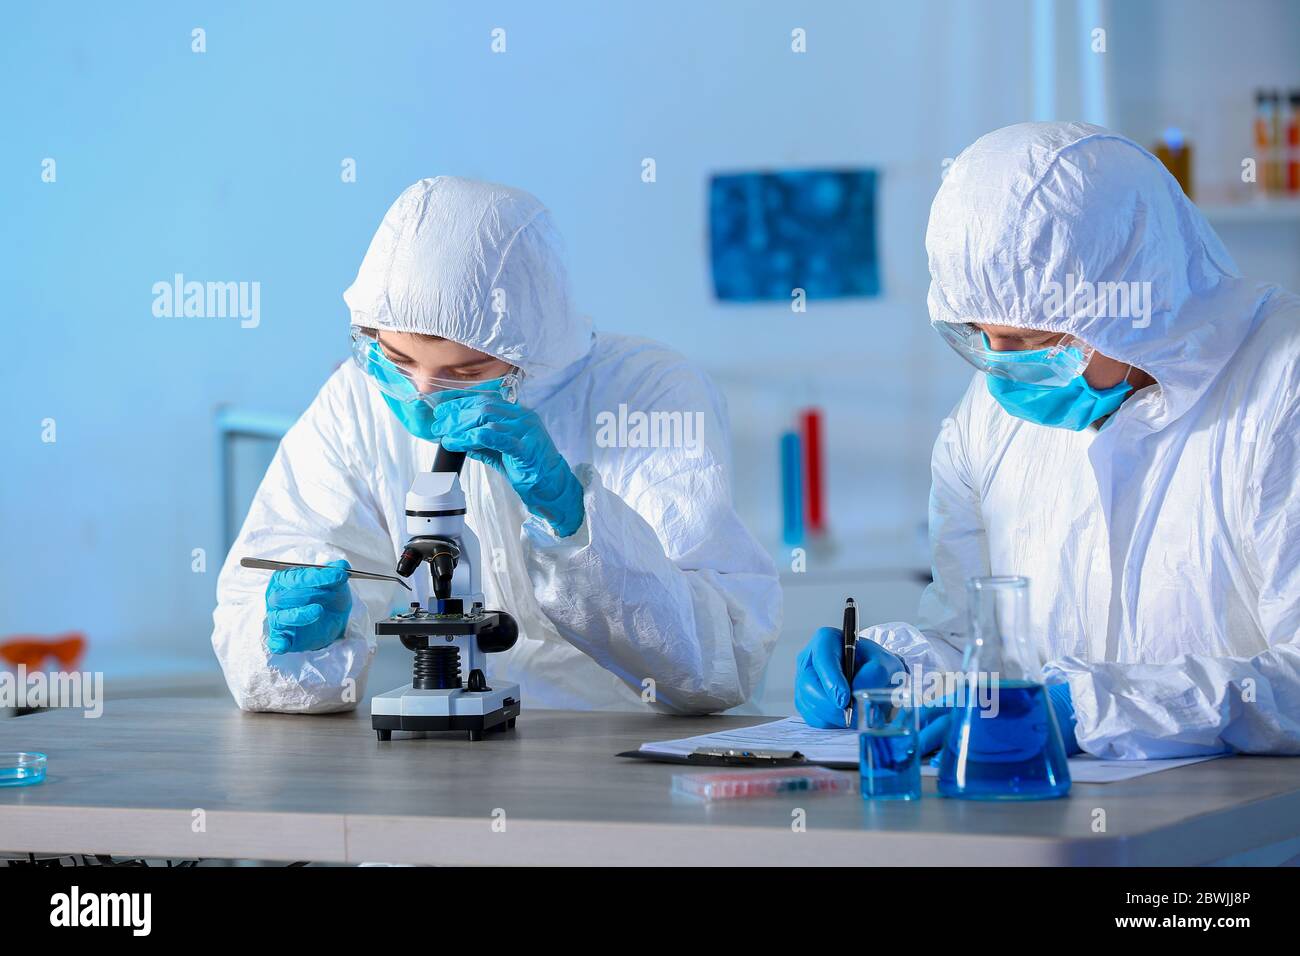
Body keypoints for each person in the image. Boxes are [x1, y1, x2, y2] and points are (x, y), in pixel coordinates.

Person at [796, 121, 1300, 759]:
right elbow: (973, 642)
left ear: (1136, 307)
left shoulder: (1282, 388)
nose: (1003, 372)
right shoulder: (983, 423)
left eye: (1036, 343)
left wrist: (1082, 709)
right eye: (981, 338)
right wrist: (901, 672)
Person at [212, 177, 780, 714]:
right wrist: (292, 637)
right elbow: (259, 596)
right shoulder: (355, 401)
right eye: (400, 360)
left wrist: (575, 525)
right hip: (452, 769)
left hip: (630, 750)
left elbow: (720, 662)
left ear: (533, 351)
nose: (425, 394)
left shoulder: (650, 392)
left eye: (466, 370)